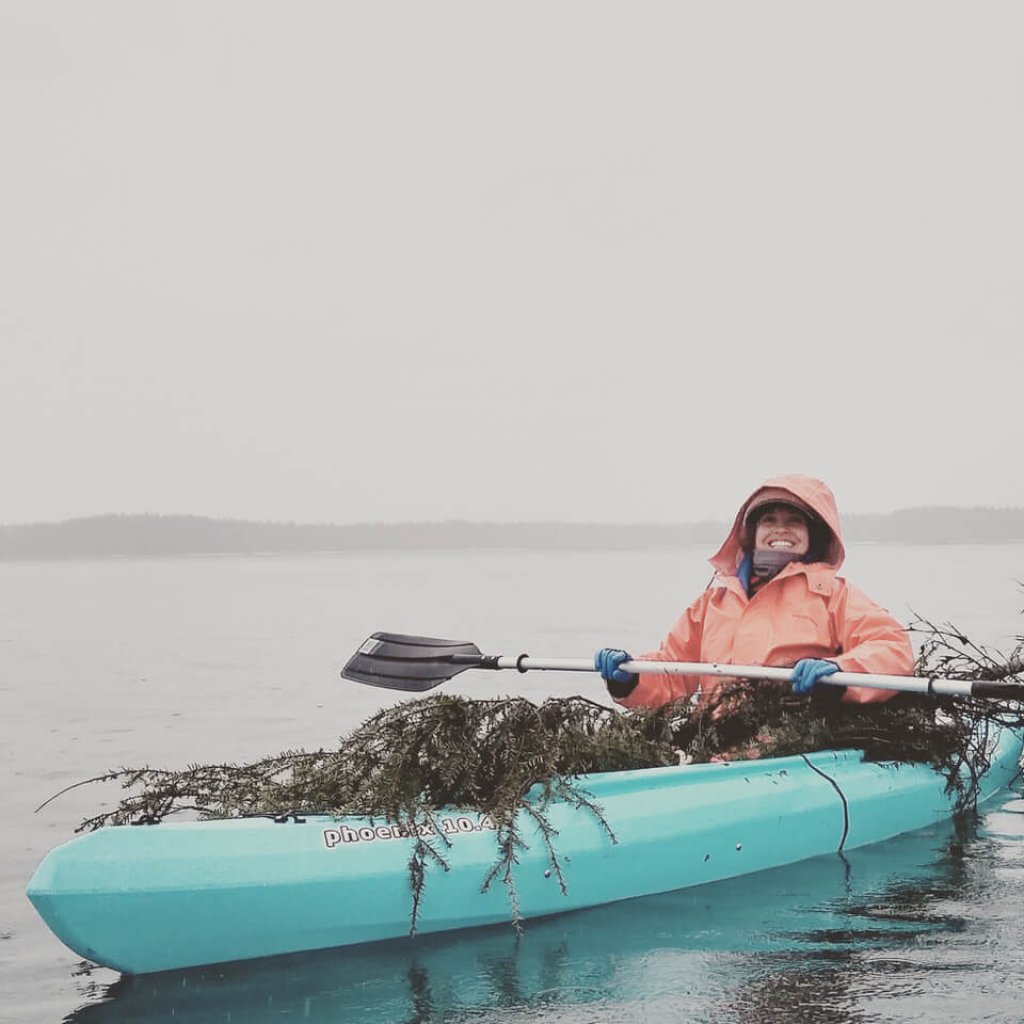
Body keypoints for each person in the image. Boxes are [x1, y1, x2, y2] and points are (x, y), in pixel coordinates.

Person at [595, 474, 914, 709]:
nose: (780, 529)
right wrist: (630, 675)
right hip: (717, 753)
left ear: (812, 535)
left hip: (796, 753)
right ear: (753, 533)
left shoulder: (834, 595)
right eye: (769, 520)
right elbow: (673, 672)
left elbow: (892, 648)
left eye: (794, 521)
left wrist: (840, 671)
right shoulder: (713, 602)